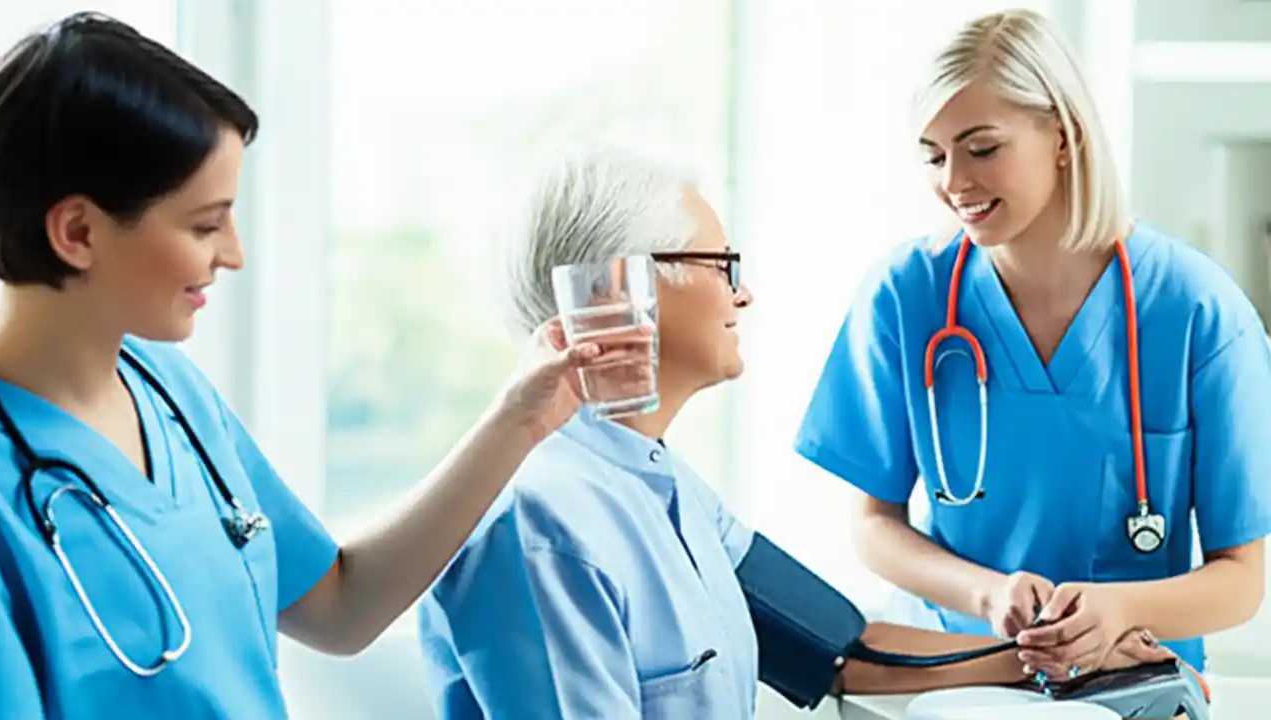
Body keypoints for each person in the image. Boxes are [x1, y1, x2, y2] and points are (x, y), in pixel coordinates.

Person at [0, 13, 640, 719]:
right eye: (205, 224)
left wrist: (521, 417)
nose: (233, 253)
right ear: (79, 231)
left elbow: (340, 604)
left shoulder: (167, 391)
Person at [416, 147, 1175, 719]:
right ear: (621, 289)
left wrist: (1055, 658)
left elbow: (843, 649)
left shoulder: (661, 487)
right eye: (721, 264)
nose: (742, 292)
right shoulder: (542, 525)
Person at [795, 8, 1271, 682]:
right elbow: (874, 524)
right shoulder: (907, 295)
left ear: (1064, 136)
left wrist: (1117, 608)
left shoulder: (1196, 310)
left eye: (982, 148)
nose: (954, 182)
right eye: (934, 155)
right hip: (957, 674)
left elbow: (1240, 580)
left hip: (1130, 680)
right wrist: (985, 593)